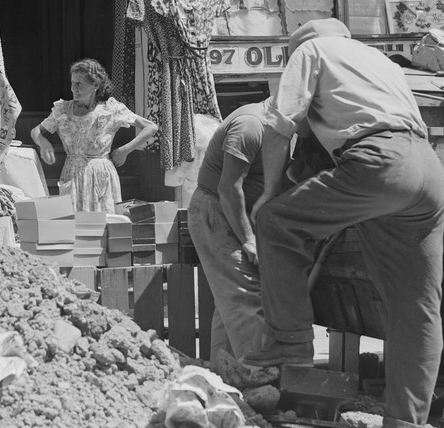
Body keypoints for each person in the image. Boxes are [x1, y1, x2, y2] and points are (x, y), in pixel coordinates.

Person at [245, 18, 444, 428]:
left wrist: (270, 192)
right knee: (416, 308)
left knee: (277, 224)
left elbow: (283, 123)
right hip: (427, 172)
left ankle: (290, 347)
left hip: (378, 162)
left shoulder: (311, 52)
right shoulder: (379, 61)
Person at [187, 98, 272, 375]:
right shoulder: (250, 125)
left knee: (230, 302)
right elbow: (228, 189)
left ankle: (223, 376)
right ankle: (256, 376)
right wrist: (249, 239)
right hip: (217, 209)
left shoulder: (271, 125)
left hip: (230, 212)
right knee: (245, 296)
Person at [31, 58, 158, 213]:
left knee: (103, 224)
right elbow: (36, 131)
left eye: (79, 84)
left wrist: (124, 150)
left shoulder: (110, 109)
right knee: (74, 225)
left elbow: (150, 127)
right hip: (72, 173)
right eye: (72, 83)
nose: (74, 88)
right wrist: (43, 143)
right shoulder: (63, 110)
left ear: (96, 85)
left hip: (101, 173)